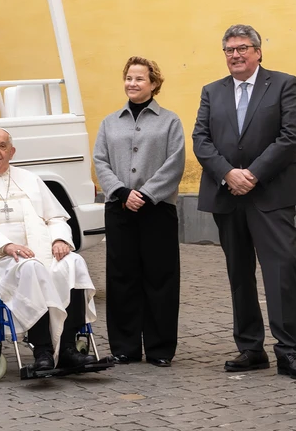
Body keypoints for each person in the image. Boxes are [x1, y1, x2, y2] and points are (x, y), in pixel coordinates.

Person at [192, 24, 296, 380]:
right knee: (239, 274)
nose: (235, 55)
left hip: (272, 194)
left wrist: (253, 174)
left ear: (258, 52)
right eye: (229, 50)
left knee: (282, 271)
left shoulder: (283, 84)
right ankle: (250, 348)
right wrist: (228, 174)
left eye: (242, 48)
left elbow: (291, 134)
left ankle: (288, 351)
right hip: (227, 195)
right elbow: (201, 139)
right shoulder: (212, 92)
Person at [0, 128, 99, 371]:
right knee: (31, 269)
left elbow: (56, 217)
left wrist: (59, 240)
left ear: (11, 151)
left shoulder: (30, 179)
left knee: (73, 263)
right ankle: (43, 350)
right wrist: (6, 245)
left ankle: (67, 348)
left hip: (42, 251)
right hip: (0, 259)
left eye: (2, 146)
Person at [93, 57, 185, 367]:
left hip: (157, 210)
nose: (132, 83)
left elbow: (175, 163)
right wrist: (120, 192)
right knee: (122, 279)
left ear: (154, 83)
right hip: (119, 209)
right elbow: (100, 161)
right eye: (129, 78)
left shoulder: (170, 122)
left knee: (160, 279)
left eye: (140, 79)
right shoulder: (109, 122)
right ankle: (124, 347)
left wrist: (145, 194)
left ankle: (160, 349)